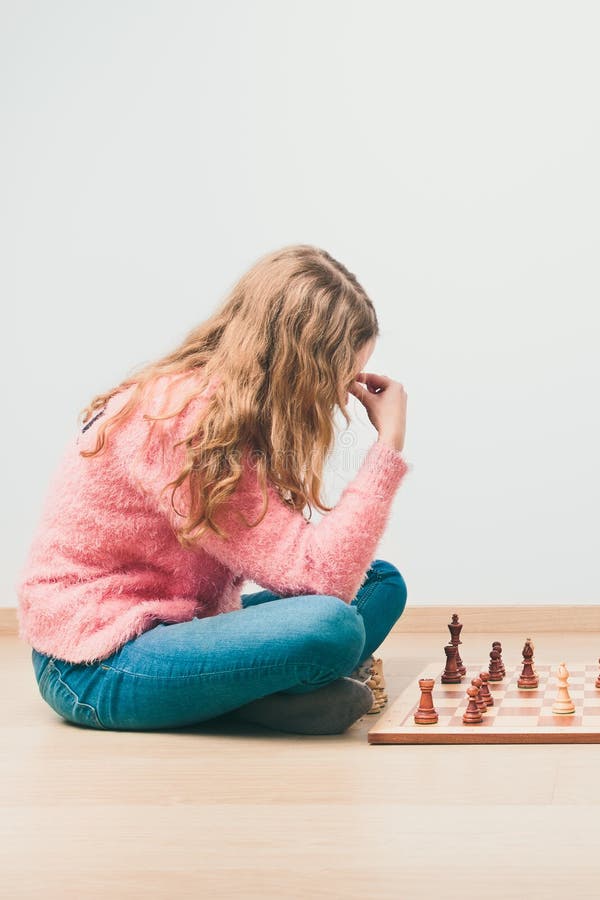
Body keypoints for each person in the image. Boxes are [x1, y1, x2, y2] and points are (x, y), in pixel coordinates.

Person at [17, 244, 411, 735]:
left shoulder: (228, 406)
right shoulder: (190, 422)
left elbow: (311, 571)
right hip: (95, 660)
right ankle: (257, 693)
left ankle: (246, 694)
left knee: (381, 583)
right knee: (332, 626)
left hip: (180, 625)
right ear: (300, 365)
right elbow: (321, 581)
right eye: (338, 375)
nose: (340, 395)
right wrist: (387, 448)